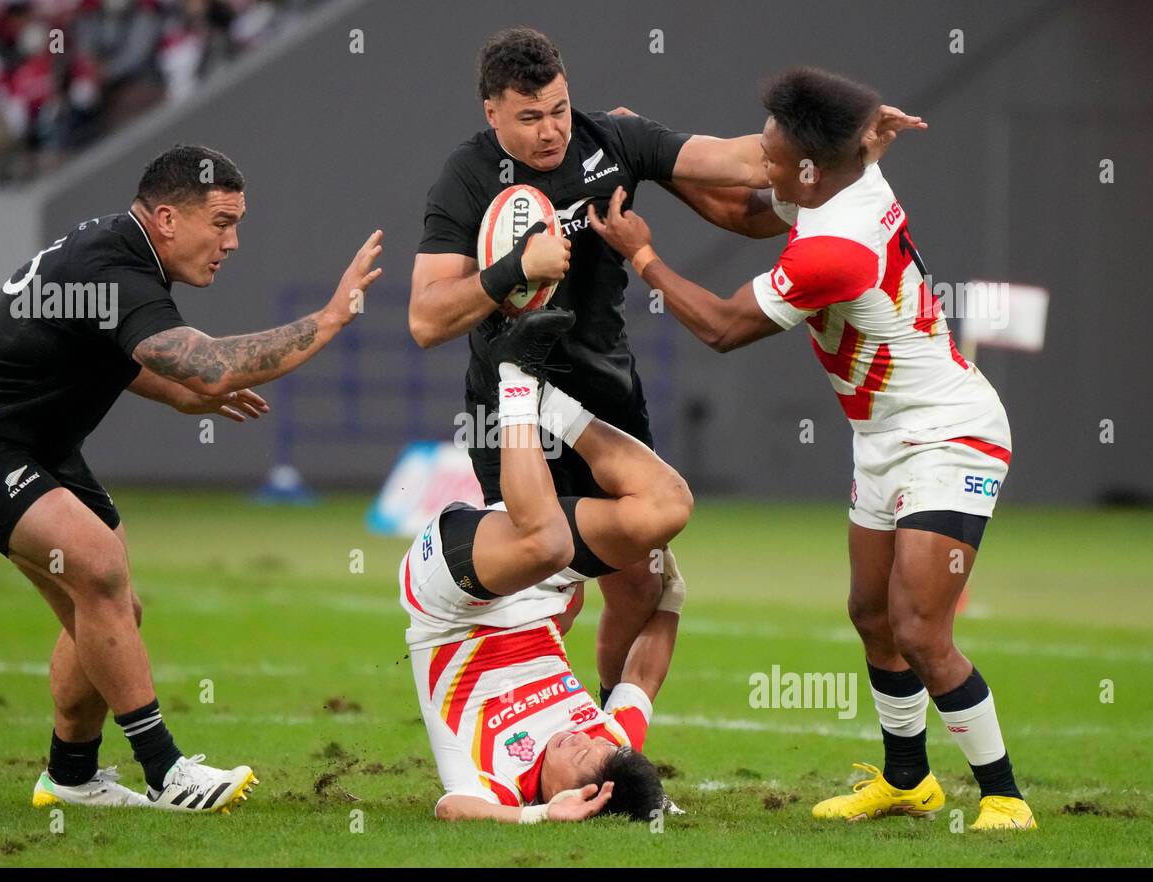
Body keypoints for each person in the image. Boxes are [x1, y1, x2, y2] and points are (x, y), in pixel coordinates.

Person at [408, 26, 921, 714]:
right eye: (529, 117)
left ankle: (599, 731)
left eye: (558, 109)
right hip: (516, 413)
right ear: (491, 111)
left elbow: (748, 165)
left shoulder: (613, 140)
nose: (550, 130)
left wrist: (846, 146)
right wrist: (512, 272)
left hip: (609, 401)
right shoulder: (465, 178)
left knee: (644, 589)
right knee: (545, 589)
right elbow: (426, 318)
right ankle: (536, 739)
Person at [588, 67, 1035, 831]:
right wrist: (650, 159)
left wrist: (645, 256)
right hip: (882, 437)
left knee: (922, 628)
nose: (758, 152)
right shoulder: (836, 184)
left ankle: (1004, 797)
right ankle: (907, 781)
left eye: (771, 145)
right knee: (870, 612)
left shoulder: (839, 245)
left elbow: (725, 327)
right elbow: (744, 210)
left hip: (950, 431)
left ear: (808, 166)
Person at [0, 143, 383, 812]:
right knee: (100, 568)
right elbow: (208, 362)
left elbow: (139, 362)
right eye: (221, 222)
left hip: (38, 445)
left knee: (111, 607)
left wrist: (190, 395)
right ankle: (167, 771)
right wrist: (330, 317)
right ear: (166, 217)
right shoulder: (117, 264)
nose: (233, 241)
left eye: (237, 223)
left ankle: (70, 774)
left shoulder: (120, 256)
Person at [400, 307, 691, 823]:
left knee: (550, 543)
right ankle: (544, 399)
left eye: (579, 756)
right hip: (534, 578)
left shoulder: (502, 789)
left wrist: (536, 817)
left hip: (453, 602)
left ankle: (513, 376)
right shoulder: (611, 747)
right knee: (667, 508)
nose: (580, 736)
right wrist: (673, 596)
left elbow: (451, 808)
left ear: (584, 798)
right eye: (593, 743)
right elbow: (643, 677)